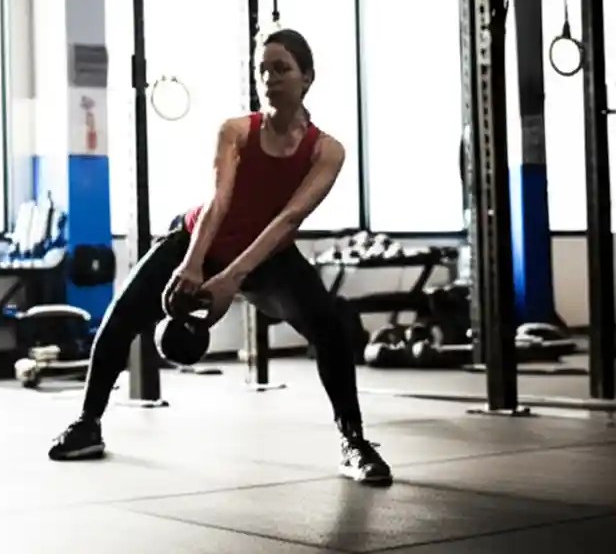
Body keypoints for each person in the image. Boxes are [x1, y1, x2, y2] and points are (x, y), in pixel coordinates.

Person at [47, 29, 391, 485]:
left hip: (268, 255)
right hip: (198, 238)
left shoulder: (327, 151)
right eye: (262, 69)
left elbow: (287, 221)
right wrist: (192, 263)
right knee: (120, 318)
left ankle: (354, 441)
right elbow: (219, 200)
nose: (269, 78)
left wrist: (233, 278)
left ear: (307, 77)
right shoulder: (235, 131)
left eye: (282, 68)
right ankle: (87, 424)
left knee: (328, 327)